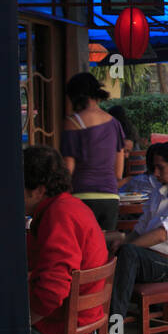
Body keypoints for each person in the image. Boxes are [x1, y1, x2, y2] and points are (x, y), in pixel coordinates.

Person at [22, 146, 109, 334]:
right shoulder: (66, 206)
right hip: (81, 327)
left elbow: (51, 292)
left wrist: (19, 325)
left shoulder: (58, 216)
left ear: (38, 190)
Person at [105, 141, 168, 330]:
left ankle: (113, 330)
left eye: (160, 168)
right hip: (146, 258)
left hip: (167, 265)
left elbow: (162, 234)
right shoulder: (160, 192)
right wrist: (121, 242)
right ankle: (92, 324)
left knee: (128, 254)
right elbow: (140, 230)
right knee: (106, 249)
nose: (156, 174)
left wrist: (128, 247)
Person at [59, 73, 125, 232]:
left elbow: (69, 167)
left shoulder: (73, 122)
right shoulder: (115, 123)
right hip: (110, 196)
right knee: (104, 251)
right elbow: (118, 171)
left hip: (82, 195)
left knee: (82, 251)